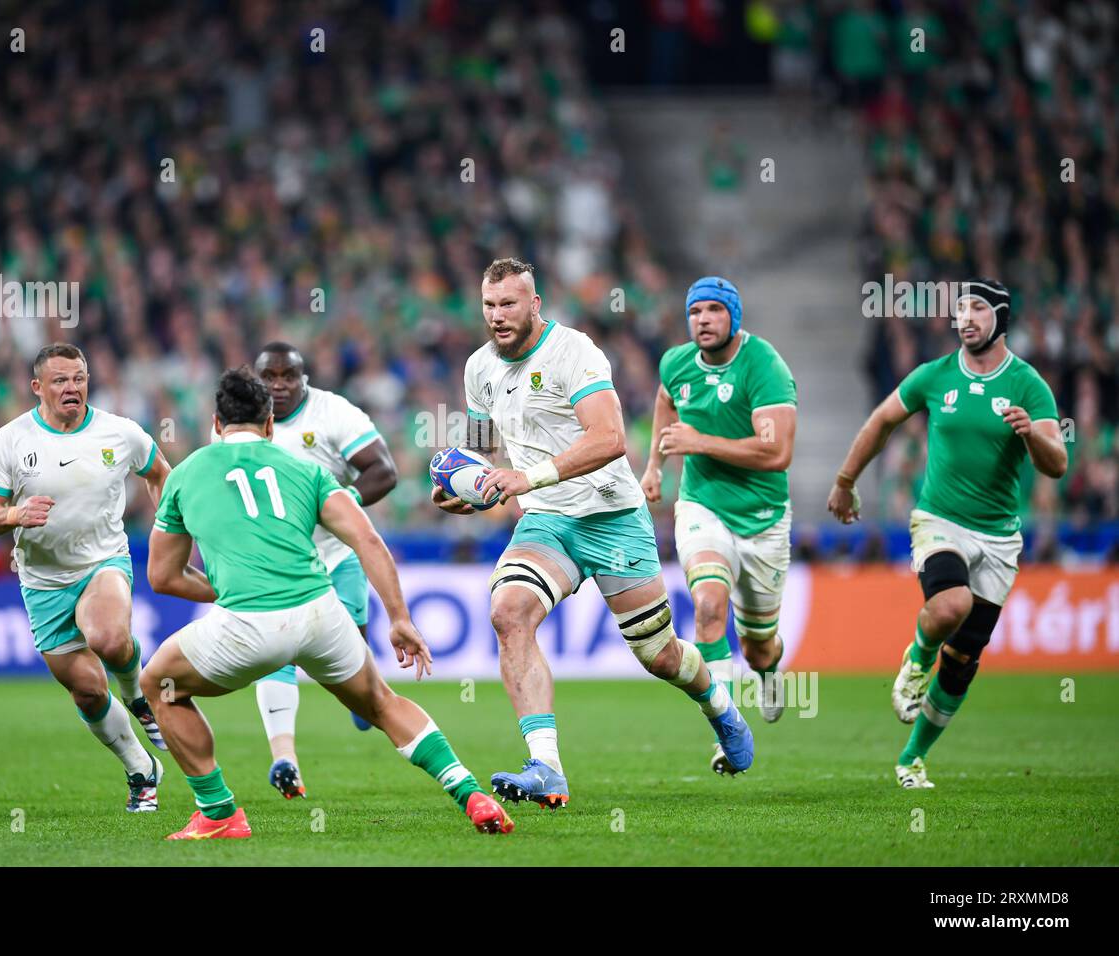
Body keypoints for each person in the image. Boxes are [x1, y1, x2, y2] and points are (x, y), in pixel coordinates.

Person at [433, 258, 755, 810]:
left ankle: (719, 704)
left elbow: (609, 438)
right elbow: (486, 456)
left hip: (612, 516)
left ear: (534, 305)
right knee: (508, 613)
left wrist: (522, 478)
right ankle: (548, 769)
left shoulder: (574, 351)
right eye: (489, 305)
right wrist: (469, 492)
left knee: (659, 656)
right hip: (546, 523)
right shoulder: (478, 369)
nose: (497, 316)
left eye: (509, 304)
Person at [143, 367, 513, 839]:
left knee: (160, 684)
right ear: (271, 424)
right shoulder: (307, 469)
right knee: (382, 703)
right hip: (321, 612)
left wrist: (230, 586)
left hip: (247, 624)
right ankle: (472, 794)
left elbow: (163, 576)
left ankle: (218, 813)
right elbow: (368, 541)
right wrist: (399, 619)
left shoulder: (186, 474)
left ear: (216, 423)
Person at [827, 279, 1067, 788]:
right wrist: (846, 480)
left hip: (1000, 538)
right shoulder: (935, 375)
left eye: (977, 308)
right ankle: (916, 659)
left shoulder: (1027, 384)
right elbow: (881, 421)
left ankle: (912, 758)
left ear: (1001, 317)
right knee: (949, 606)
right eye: (960, 309)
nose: (965, 318)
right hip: (940, 520)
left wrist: (1032, 435)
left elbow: (1057, 464)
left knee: (962, 661)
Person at [0, 343, 171, 812]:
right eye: (60, 380)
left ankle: (139, 695)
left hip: (103, 562)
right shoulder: (12, 440)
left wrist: (167, 527)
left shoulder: (119, 432)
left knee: (108, 638)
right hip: (42, 581)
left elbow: (159, 473)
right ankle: (141, 770)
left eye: (78, 377)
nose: (72, 387)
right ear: (37, 387)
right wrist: (16, 514)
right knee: (86, 690)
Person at [222, 342, 397, 800]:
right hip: (275, 563)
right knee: (273, 650)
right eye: (270, 377)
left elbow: (383, 470)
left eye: (289, 376)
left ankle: (365, 694)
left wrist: (337, 507)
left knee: (351, 648)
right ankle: (285, 757)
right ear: (256, 380)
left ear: (305, 378)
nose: (279, 385)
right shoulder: (242, 421)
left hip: (336, 553)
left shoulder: (335, 413)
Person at [642, 276, 798, 773]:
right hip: (702, 506)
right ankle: (726, 725)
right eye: (695, 312)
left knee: (757, 645)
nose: (702, 320)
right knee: (708, 605)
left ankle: (769, 671)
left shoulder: (765, 366)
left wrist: (699, 442)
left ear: (734, 316)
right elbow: (667, 401)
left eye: (713, 310)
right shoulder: (676, 362)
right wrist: (653, 467)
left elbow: (776, 453)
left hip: (762, 519)